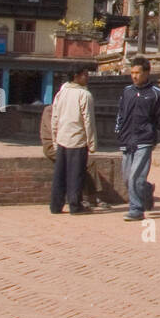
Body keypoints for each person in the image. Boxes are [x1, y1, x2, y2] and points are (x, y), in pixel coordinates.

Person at [114, 57, 160, 221]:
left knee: (135, 176)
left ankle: (136, 209)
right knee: (126, 177)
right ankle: (146, 190)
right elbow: (120, 113)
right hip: (127, 139)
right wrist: (118, 131)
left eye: (138, 73)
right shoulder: (127, 91)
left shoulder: (156, 94)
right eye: (132, 73)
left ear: (146, 73)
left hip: (144, 139)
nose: (134, 76)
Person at [49, 65, 98, 215]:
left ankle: (55, 206)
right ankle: (75, 206)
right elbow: (88, 121)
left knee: (60, 174)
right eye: (85, 75)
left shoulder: (60, 94)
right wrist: (92, 142)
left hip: (62, 138)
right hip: (77, 140)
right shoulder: (84, 95)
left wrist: (55, 139)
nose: (87, 77)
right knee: (76, 175)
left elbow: (54, 118)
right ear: (77, 76)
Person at [41, 99, 103, 209]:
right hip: (54, 145)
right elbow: (54, 131)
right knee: (81, 163)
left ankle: (93, 196)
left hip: (67, 143)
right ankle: (85, 198)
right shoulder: (50, 110)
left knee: (88, 162)